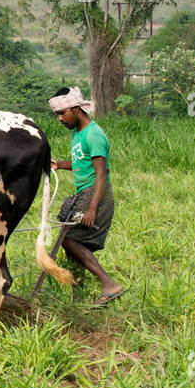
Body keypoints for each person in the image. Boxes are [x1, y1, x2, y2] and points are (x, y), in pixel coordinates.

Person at [49, 86, 123, 304]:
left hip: (95, 195)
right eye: (58, 115)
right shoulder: (77, 132)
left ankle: (109, 284)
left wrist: (92, 208)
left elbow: (102, 174)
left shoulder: (94, 135)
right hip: (84, 193)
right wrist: (59, 164)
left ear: (76, 109)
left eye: (62, 113)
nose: (60, 119)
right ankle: (78, 296)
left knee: (70, 241)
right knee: (72, 246)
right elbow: (83, 162)